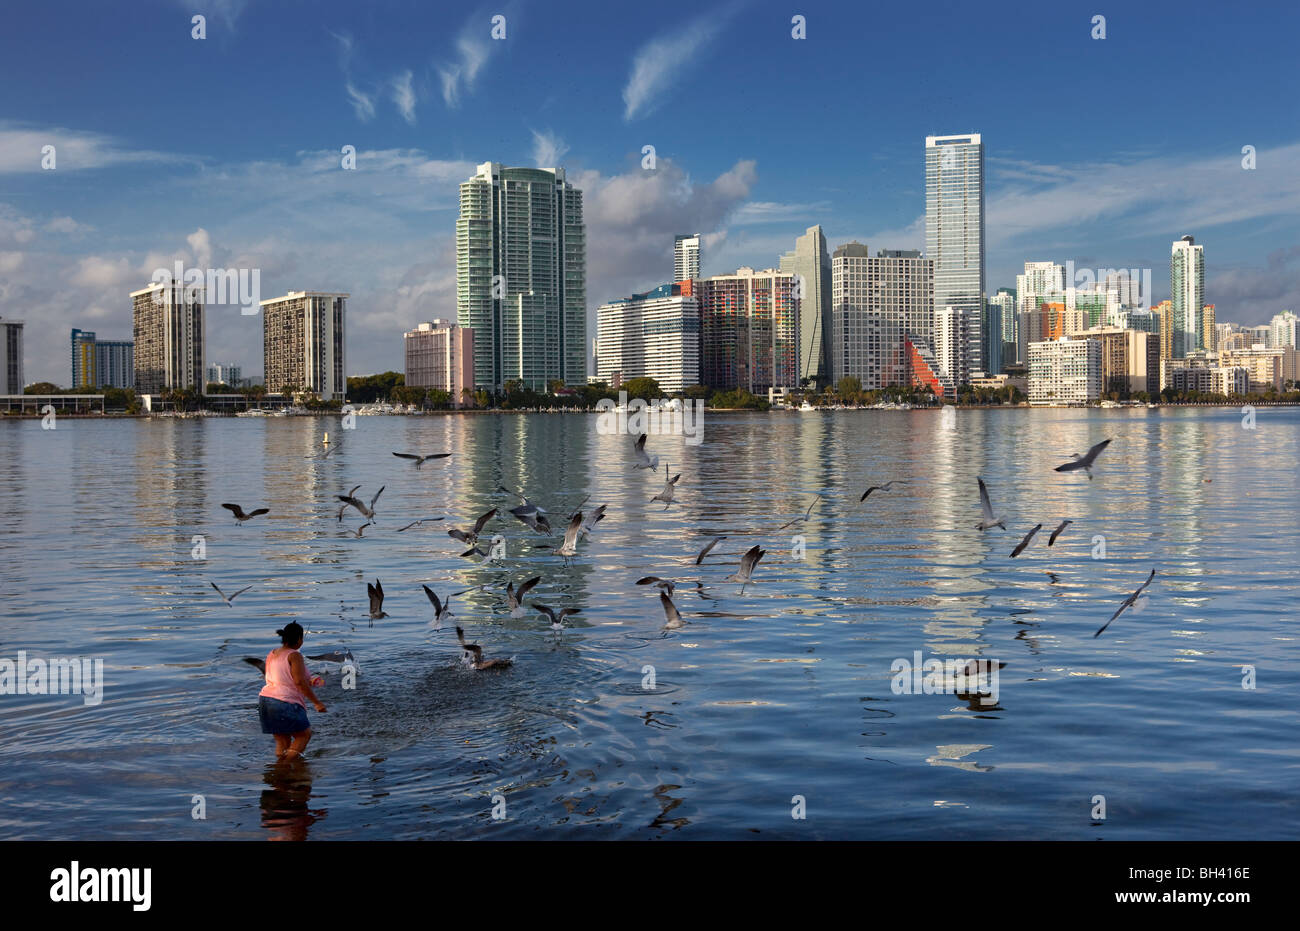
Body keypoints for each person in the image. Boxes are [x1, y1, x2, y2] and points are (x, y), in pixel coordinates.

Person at [257, 621, 326, 760]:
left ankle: (280, 775)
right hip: (285, 702)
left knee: (283, 741)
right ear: (299, 639)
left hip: (266, 700)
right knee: (304, 735)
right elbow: (299, 681)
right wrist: (317, 702)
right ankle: (282, 769)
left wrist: (310, 680)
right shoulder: (295, 655)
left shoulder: (272, 653)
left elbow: (281, 676)